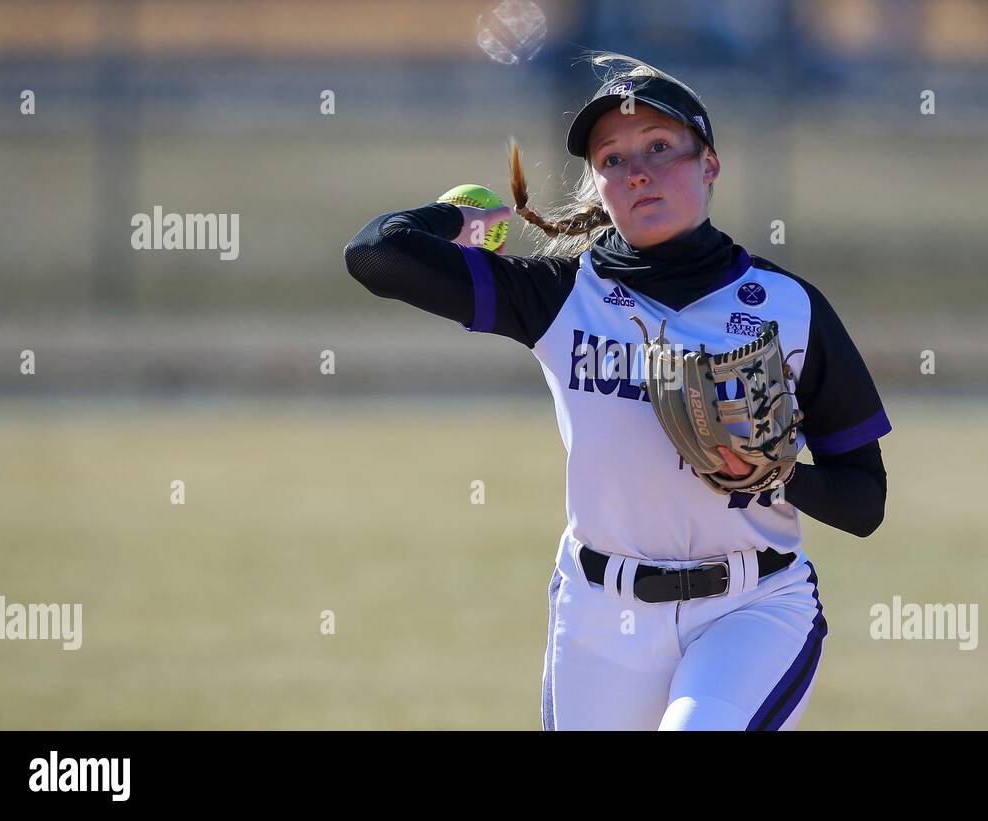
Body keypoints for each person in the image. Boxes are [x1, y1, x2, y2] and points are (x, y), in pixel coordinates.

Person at [344, 52, 891, 730]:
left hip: (751, 608)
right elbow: (374, 255)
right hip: (601, 615)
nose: (637, 172)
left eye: (660, 148)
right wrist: (454, 223)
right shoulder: (559, 296)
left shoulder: (788, 307)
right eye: (612, 159)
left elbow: (865, 499)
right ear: (599, 186)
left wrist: (774, 474)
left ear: (709, 164)